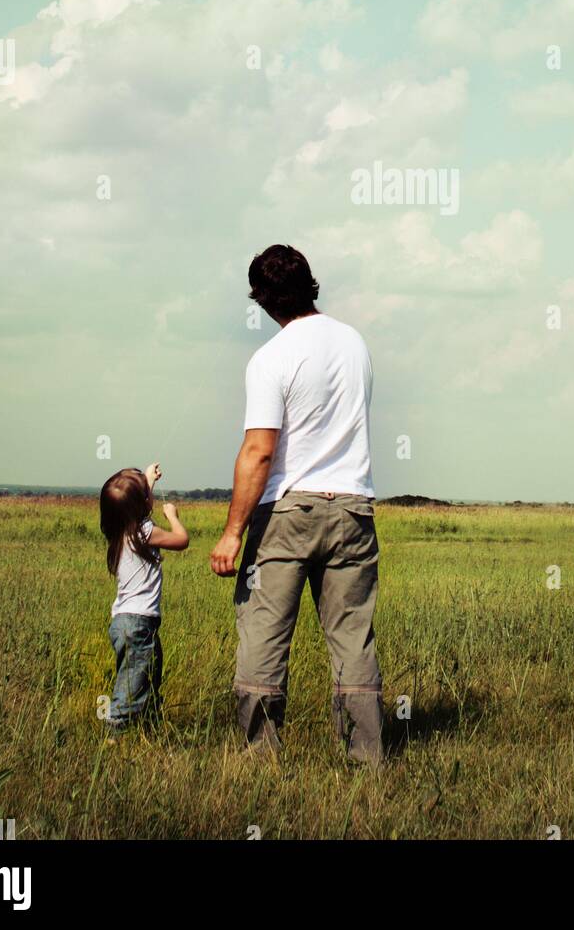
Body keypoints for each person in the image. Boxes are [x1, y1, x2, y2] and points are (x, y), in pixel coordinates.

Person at [210, 245, 384, 764]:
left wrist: (232, 532)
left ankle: (260, 759)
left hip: (287, 512)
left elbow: (260, 450)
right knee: (353, 638)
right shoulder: (355, 343)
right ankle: (366, 759)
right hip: (354, 508)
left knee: (264, 631)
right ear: (311, 283)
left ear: (261, 300)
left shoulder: (271, 358)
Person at [99, 462, 188, 733]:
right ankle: (115, 730)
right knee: (133, 680)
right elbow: (181, 540)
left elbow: (136, 502)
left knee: (145, 674)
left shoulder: (120, 531)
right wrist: (172, 515)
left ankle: (147, 724)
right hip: (139, 623)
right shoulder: (144, 532)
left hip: (124, 622)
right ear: (141, 505)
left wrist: (149, 480)